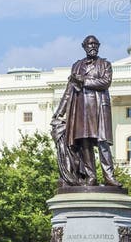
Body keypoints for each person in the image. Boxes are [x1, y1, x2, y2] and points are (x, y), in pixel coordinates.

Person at [51, 35, 119, 186]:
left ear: (99, 46)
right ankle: (91, 176)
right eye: (89, 45)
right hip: (81, 110)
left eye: (95, 44)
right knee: (85, 144)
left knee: (103, 144)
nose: (92, 47)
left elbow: (105, 82)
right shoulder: (76, 66)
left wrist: (83, 81)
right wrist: (59, 112)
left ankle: (109, 177)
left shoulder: (105, 64)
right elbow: (69, 91)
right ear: (84, 47)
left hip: (99, 109)